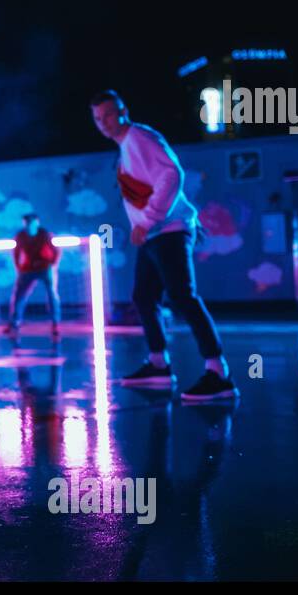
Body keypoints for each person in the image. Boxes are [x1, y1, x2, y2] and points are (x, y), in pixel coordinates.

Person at [89, 90, 237, 402]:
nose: (103, 123)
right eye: (97, 118)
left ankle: (219, 373)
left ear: (123, 110)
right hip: (157, 233)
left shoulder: (139, 137)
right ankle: (158, 364)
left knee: (183, 295)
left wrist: (149, 220)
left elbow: (172, 175)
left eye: (108, 115)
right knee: (144, 296)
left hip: (165, 229)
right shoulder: (125, 148)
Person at [4, 213, 60, 342]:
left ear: (37, 223)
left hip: (45, 267)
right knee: (18, 295)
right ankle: (14, 322)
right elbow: (16, 252)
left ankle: (55, 323)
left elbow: (56, 251)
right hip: (28, 268)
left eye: (31, 223)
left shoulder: (44, 234)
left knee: (52, 294)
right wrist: (19, 267)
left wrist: (53, 265)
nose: (29, 225)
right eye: (27, 223)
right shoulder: (20, 236)